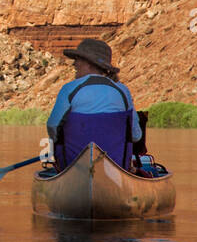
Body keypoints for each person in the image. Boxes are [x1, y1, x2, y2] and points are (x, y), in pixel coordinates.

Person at [45, 38, 143, 172]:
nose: (74, 64)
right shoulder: (122, 91)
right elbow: (136, 136)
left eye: (78, 59)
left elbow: (52, 126)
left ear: (89, 63)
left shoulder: (69, 89)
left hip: (73, 165)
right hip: (115, 166)